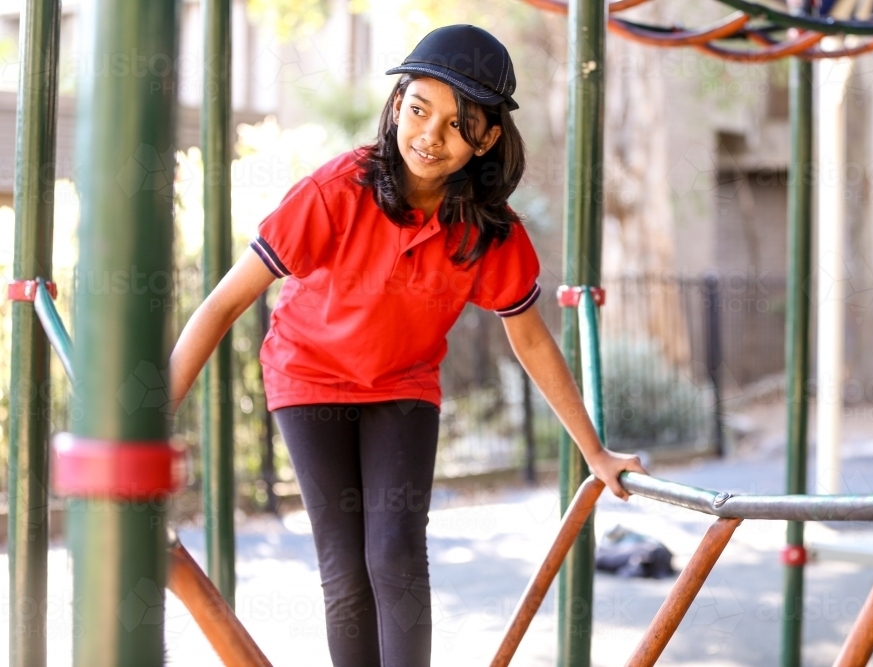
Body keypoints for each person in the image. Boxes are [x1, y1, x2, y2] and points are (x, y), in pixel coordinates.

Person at [170, 24, 646, 667]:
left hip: (402, 385)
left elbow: (532, 342)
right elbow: (224, 304)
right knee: (344, 570)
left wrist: (595, 452)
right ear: (397, 106)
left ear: (488, 140)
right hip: (309, 378)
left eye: (459, 125)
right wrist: (147, 429)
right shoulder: (334, 194)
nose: (432, 135)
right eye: (419, 110)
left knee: (394, 554)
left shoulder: (491, 233)